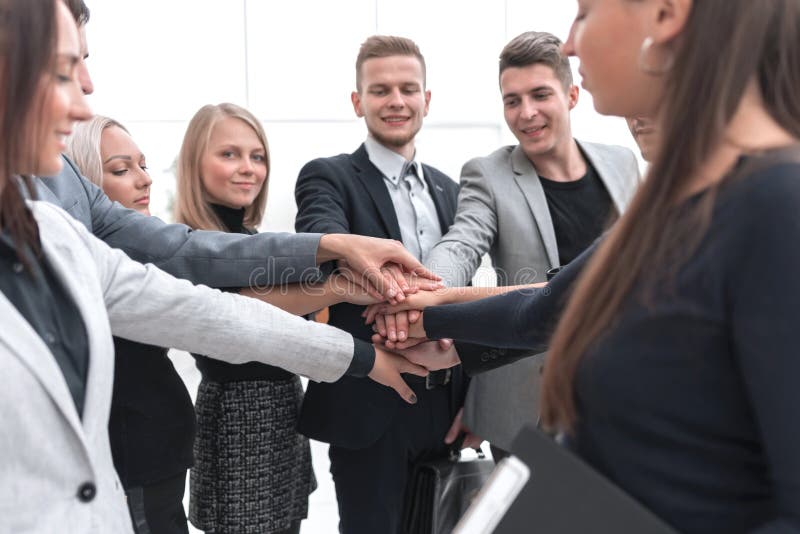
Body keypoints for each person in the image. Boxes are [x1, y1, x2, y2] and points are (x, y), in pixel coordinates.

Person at [0, 2, 430, 532]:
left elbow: (206, 308)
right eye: (62, 70)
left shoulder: (57, 226)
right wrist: (340, 288)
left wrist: (345, 305)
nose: (85, 98)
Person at [377, 0, 800, 531]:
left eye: (585, 13)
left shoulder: (776, 204)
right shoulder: (672, 201)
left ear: (666, 16)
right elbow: (541, 309)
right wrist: (422, 309)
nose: (570, 43)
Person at [420, 31, 640, 456]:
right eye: (512, 100)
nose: (526, 113)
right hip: (527, 406)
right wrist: (425, 290)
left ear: (572, 95)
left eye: (540, 95)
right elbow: (461, 244)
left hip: (620, 393)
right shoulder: (489, 174)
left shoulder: (622, 162)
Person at [293, 35, 465, 533]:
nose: (396, 101)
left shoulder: (450, 189)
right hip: (368, 406)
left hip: (445, 406)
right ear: (358, 101)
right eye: (380, 89)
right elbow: (325, 250)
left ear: (426, 100)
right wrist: (416, 297)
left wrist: (473, 401)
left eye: (408, 89)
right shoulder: (328, 176)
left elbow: (464, 284)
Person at [173, 103, 310, 534]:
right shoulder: (191, 245)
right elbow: (253, 321)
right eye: (229, 154)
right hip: (240, 417)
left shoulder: (251, 239)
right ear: (195, 162)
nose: (248, 168)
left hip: (282, 409)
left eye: (257, 156)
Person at [65, 116, 195, 533]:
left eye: (143, 165)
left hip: (160, 462)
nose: (145, 179)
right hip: (134, 468)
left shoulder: (139, 256)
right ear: (82, 184)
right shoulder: (91, 271)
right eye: (122, 170)